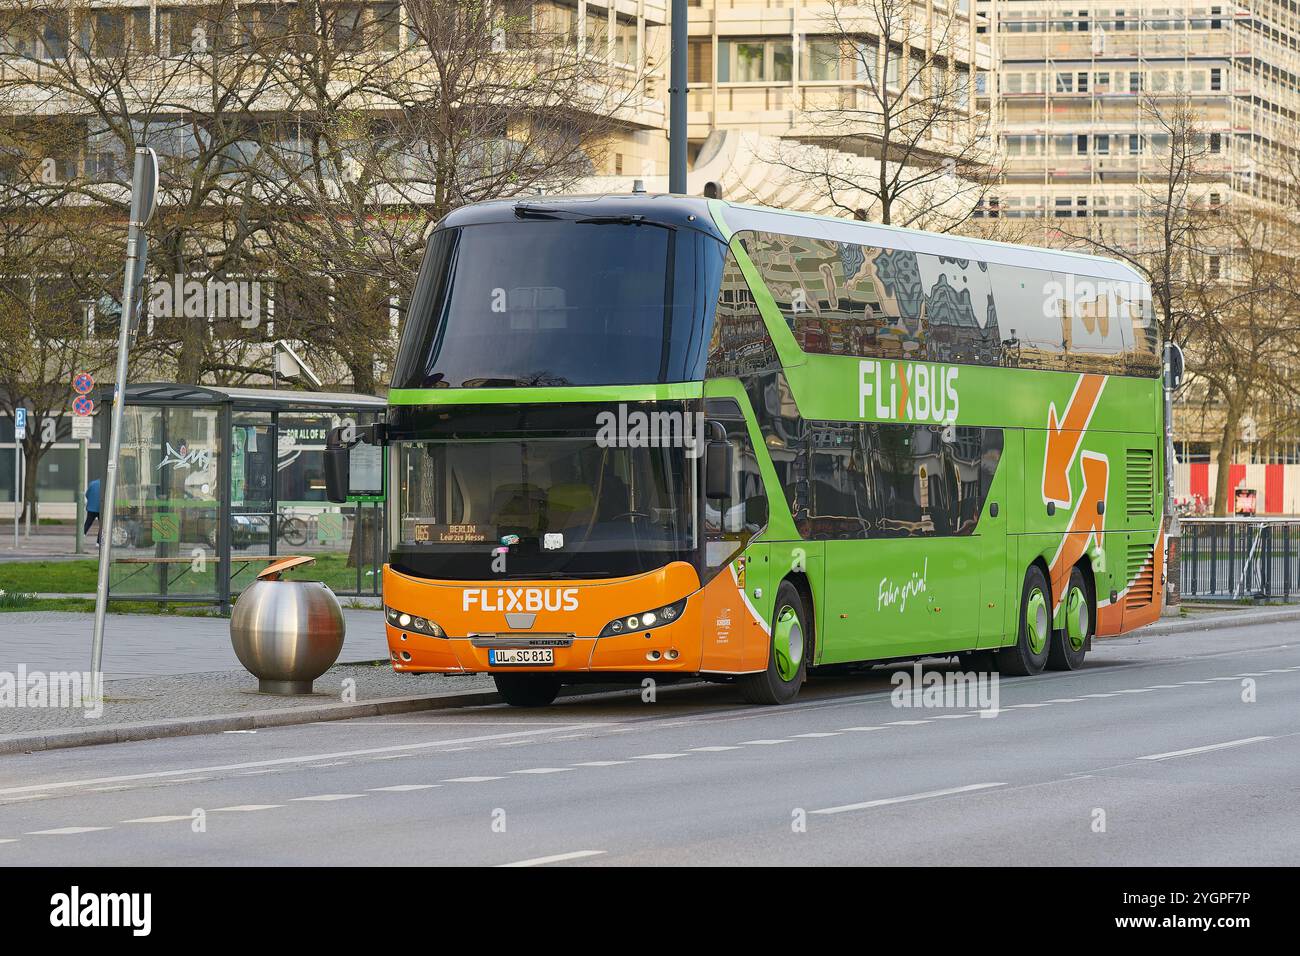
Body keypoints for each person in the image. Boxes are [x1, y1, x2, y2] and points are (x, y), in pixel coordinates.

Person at [85, 478, 102, 545]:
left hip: (91, 507)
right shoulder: (106, 484)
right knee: (102, 526)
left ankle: (82, 535)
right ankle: (98, 542)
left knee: (88, 522)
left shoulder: (92, 483)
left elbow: (87, 494)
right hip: (101, 508)